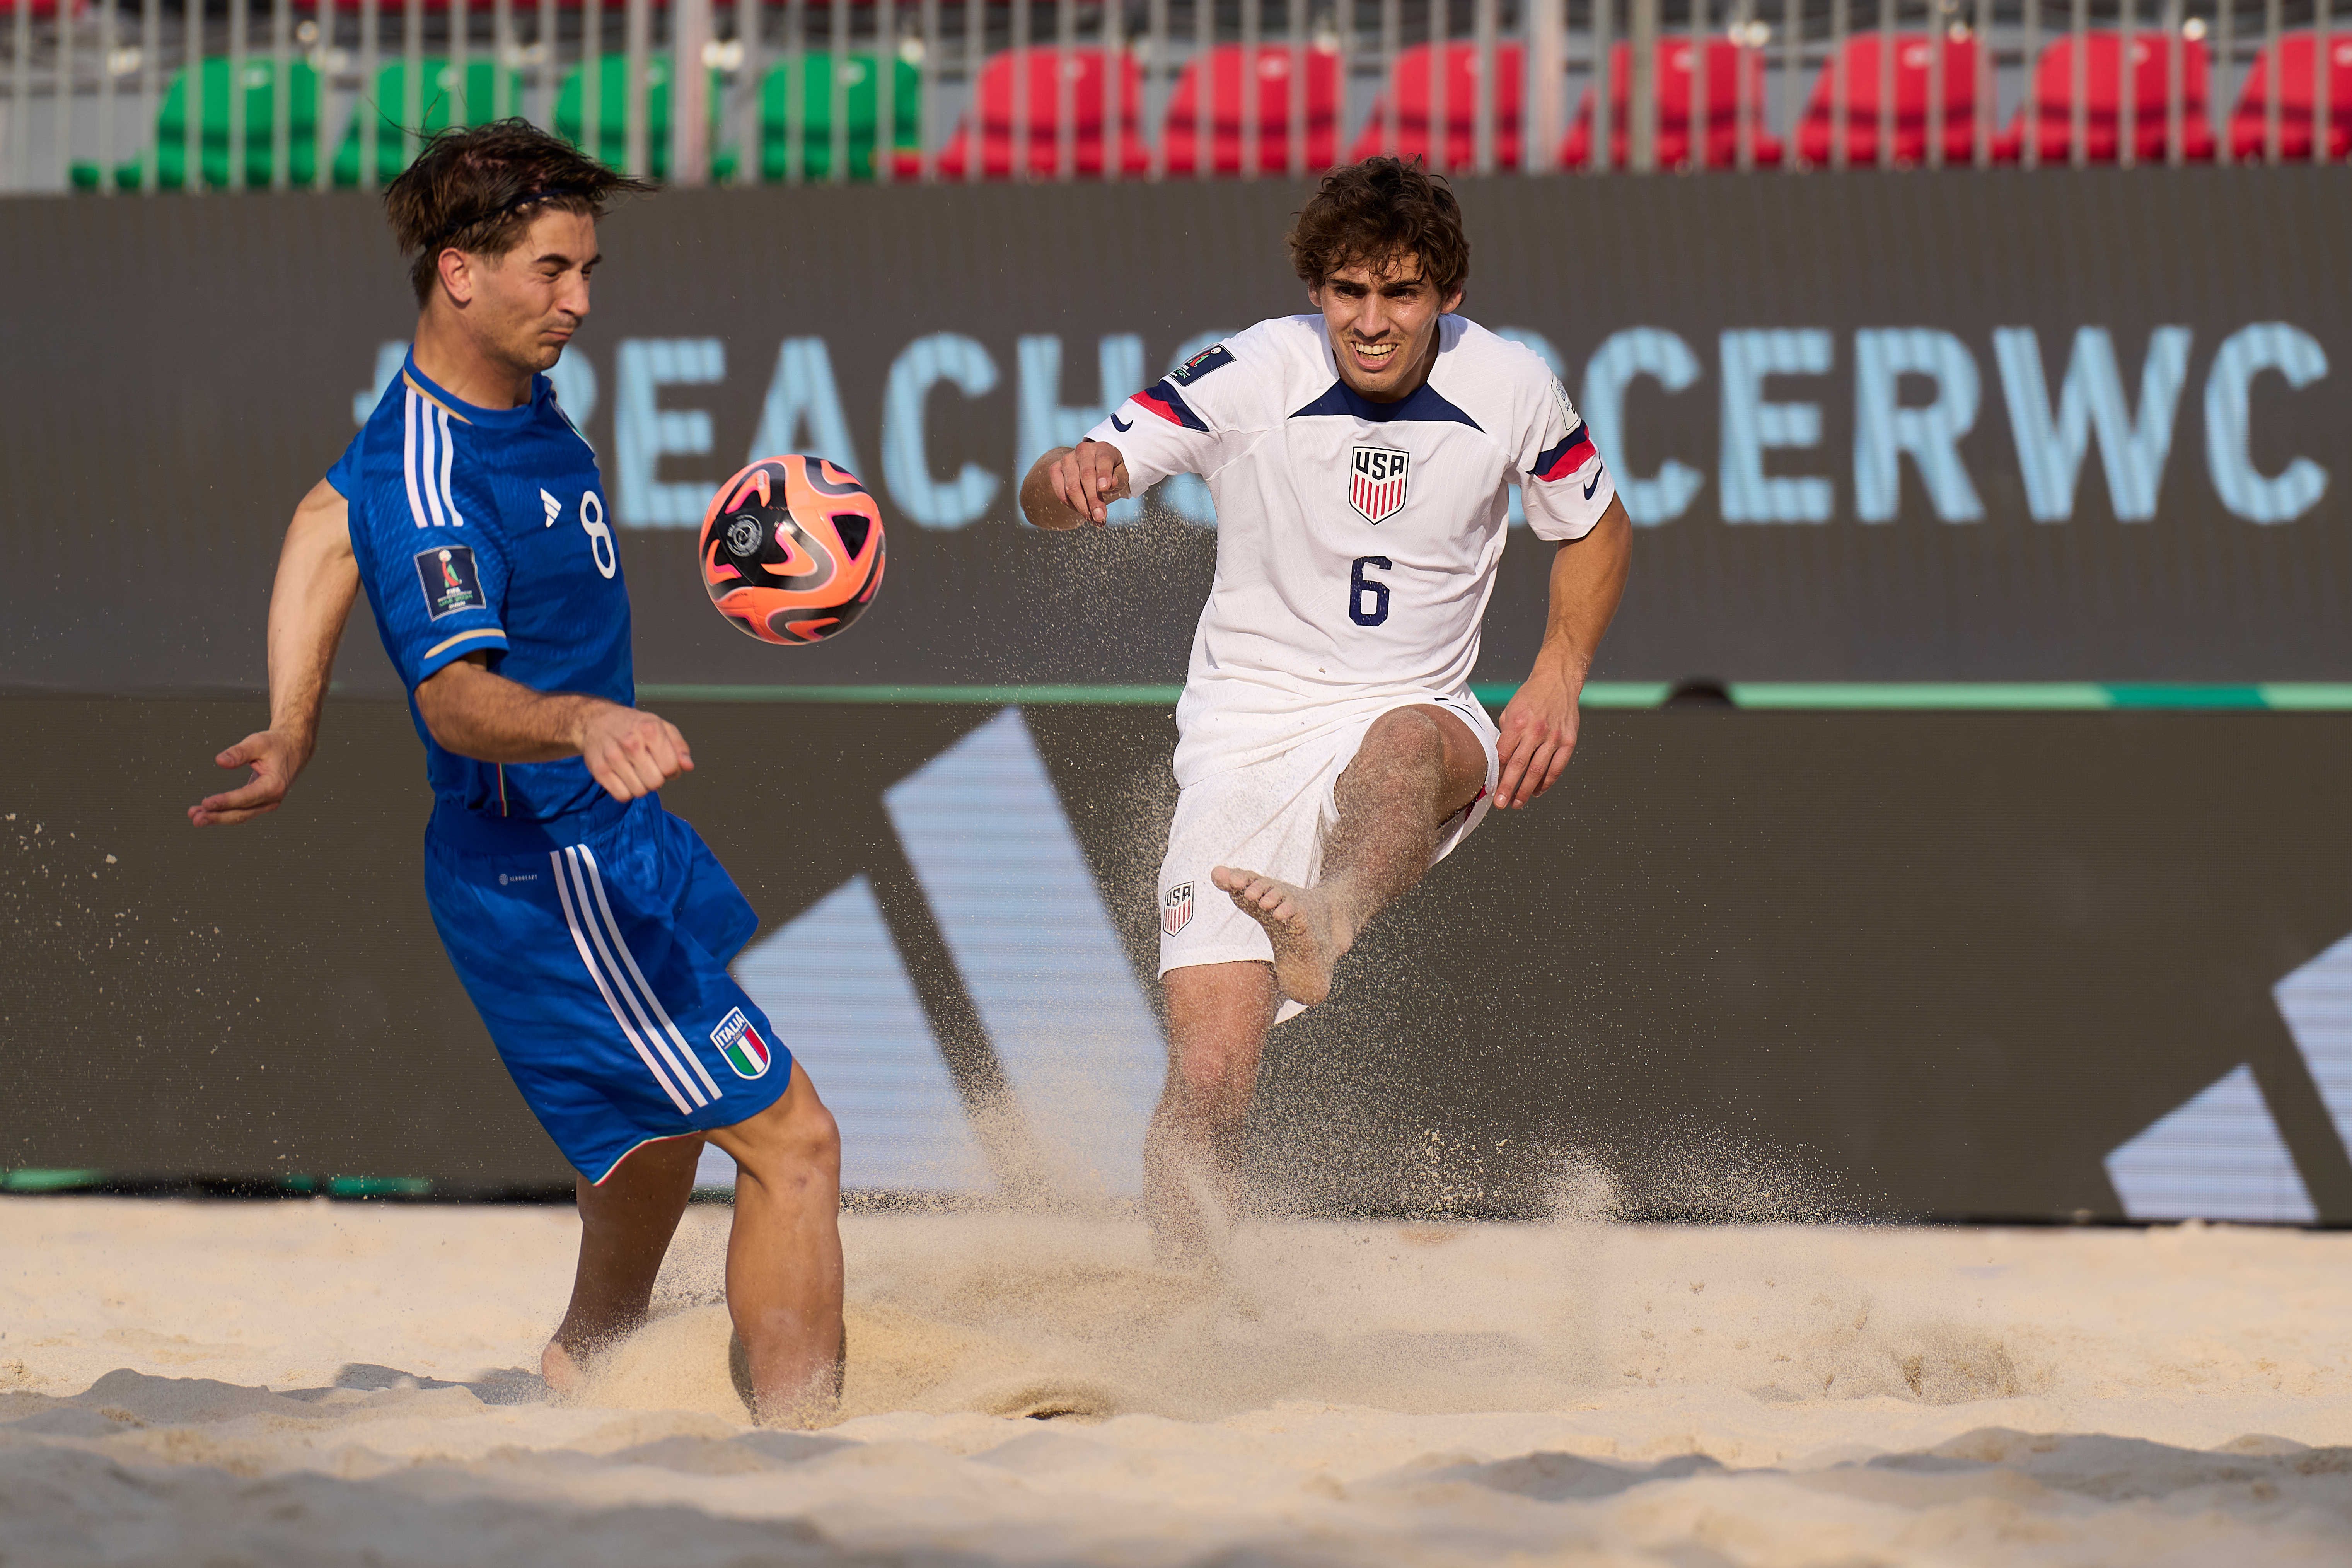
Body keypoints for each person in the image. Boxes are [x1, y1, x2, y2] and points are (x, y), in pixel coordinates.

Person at [187, 121, 844, 1423]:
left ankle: (582, 1374)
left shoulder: (502, 397)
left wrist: (294, 718)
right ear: (459, 271)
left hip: (601, 832)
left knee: (651, 1139)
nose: (583, 301)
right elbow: (454, 698)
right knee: (795, 1144)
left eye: (588, 267)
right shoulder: (431, 475)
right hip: (548, 852)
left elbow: (326, 519)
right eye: (553, 270)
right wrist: (582, 723)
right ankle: (802, 1452)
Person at [1019, 157, 1632, 1264]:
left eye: (1401, 294)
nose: (1372, 319)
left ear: (1446, 296)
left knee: (1400, 744)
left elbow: (1593, 524)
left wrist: (1555, 676)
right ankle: (1183, 1307)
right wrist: (1076, 473)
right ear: (1317, 290)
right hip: (1240, 741)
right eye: (1349, 291)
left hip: (1416, 706)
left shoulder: (1511, 384)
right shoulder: (1249, 371)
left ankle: (1330, 916)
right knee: (1207, 1081)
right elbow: (1064, 485)